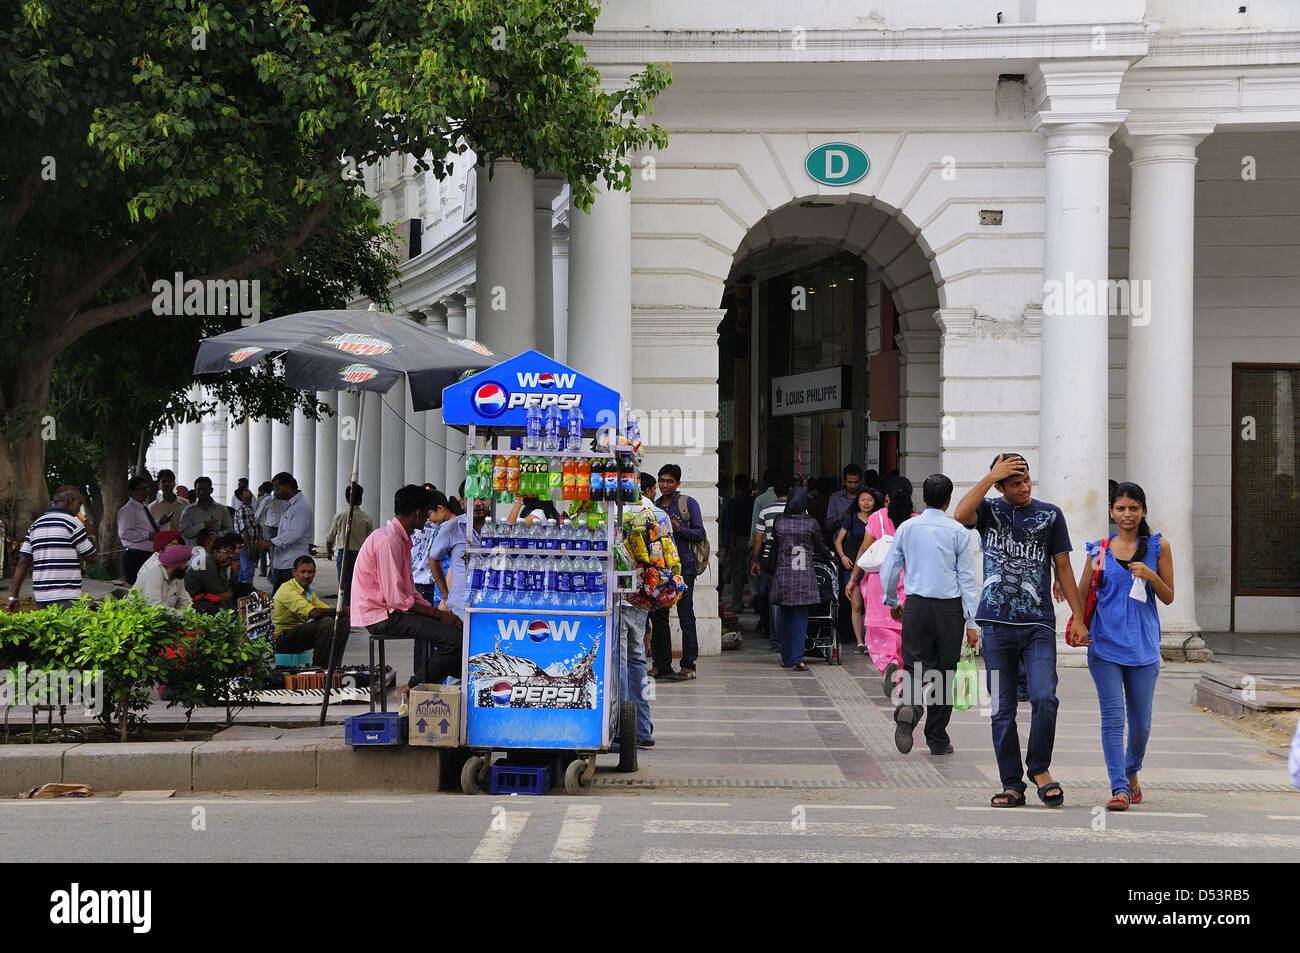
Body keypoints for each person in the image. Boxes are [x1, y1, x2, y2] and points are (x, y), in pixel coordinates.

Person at [953, 453, 1088, 808]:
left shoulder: (1050, 515)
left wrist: (1078, 615)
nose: (1024, 487)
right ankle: (1011, 783)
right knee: (1002, 709)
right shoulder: (988, 511)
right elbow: (960, 514)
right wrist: (987, 478)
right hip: (996, 624)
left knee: (1045, 697)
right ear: (999, 485)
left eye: (1026, 479)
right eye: (1014, 482)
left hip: (1038, 622)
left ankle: (1039, 768)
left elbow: (1063, 566)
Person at [1075, 482, 1174, 812]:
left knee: (1142, 722)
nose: (1127, 514)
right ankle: (1119, 788)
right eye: (1121, 508)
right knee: (1113, 719)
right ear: (1111, 512)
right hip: (1104, 646)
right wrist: (1078, 623)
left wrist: (1150, 575)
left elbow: (1169, 596)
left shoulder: (1159, 547)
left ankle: (1131, 773)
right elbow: (1082, 591)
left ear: (1143, 510)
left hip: (1144, 647)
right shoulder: (1099, 550)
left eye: (1133, 508)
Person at [879, 474, 980, 758]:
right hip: (949, 610)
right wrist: (971, 622)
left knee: (913, 666)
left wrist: (892, 600)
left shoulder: (908, 528)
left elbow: (890, 568)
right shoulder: (958, 531)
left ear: (923, 498)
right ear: (949, 501)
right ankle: (936, 738)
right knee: (944, 674)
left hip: (916, 606)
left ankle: (909, 707)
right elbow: (967, 580)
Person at [353, 484, 464, 691]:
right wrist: (437, 615)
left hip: (393, 611)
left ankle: (432, 685)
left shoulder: (399, 539)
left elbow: (410, 591)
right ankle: (415, 687)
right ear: (418, 512)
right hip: (383, 616)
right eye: (427, 512)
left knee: (457, 631)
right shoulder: (388, 541)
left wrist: (440, 612)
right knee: (456, 641)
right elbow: (398, 600)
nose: (428, 518)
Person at [847, 478, 917, 695]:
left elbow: (864, 550)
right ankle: (902, 679)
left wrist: (854, 578)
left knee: (879, 630)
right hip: (907, 582)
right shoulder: (916, 520)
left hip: (879, 582)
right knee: (904, 631)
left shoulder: (877, 518)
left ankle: (889, 666)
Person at [768, 487, 833, 672]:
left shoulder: (779, 521)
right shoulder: (810, 523)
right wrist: (830, 555)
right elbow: (821, 546)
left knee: (785, 618)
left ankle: (787, 658)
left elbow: (775, 543)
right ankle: (798, 658)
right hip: (804, 576)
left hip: (783, 575)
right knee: (800, 618)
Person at [650, 464, 705, 681]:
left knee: (686, 616)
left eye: (669, 481)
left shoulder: (686, 504)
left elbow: (700, 533)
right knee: (659, 617)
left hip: (684, 568)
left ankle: (688, 665)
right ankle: (661, 665)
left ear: (678, 484)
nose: (665, 485)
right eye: (662, 480)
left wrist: (679, 529)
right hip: (660, 570)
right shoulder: (654, 506)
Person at [7, 485, 98, 611]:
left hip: (41, 598)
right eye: (79, 503)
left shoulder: (35, 525)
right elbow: (92, 558)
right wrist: (90, 535)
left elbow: (23, 562)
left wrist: (13, 597)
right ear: (71, 501)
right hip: (66, 597)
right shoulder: (72, 523)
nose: (79, 508)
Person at [272, 555, 350, 667]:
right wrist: (342, 611)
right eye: (303, 572)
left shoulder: (308, 591)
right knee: (327, 623)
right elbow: (314, 613)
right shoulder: (287, 589)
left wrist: (343, 614)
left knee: (343, 622)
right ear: (294, 572)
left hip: (298, 634)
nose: (306, 576)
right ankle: (319, 667)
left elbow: (324, 609)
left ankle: (333, 666)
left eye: (310, 572)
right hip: (282, 639)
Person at [834, 486, 881, 654]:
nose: (866, 503)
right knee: (856, 605)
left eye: (869, 500)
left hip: (872, 568)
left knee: (871, 606)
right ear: (857, 502)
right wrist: (843, 557)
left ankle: (870, 642)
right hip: (853, 567)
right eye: (862, 500)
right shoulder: (851, 519)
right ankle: (860, 642)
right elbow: (838, 541)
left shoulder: (878, 519)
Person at [749, 474, 793, 651]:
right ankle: (789, 636)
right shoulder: (798, 510)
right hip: (791, 556)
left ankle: (776, 639)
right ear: (790, 490)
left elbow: (758, 538)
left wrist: (755, 560)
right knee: (791, 598)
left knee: (773, 596)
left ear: (774, 491)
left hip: (771, 556)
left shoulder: (765, 510)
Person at [430, 495, 488, 622]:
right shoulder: (451, 527)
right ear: (462, 503)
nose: (477, 503)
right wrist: (445, 596)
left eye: (483, 498)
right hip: (460, 610)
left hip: (490, 605)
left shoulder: (498, 528)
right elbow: (434, 558)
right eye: (472, 499)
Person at [257, 472, 314, 592]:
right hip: (284, 561)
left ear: (287, 487)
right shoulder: (291, 505)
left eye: (277, 489)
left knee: (286, 601)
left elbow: (295, 533)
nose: (275, 492)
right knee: (280, 601)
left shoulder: (300, 507)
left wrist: (271, 542)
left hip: (292, 563)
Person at [325, 483, 374, 609]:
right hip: (360, 555)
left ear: (347, 498)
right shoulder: (366, 518)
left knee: (344, 584)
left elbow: (330, 537)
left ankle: (346, 608)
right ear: (361, 499)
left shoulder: (339, 516)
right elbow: (370, 541)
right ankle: (356, 607)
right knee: (359, 582)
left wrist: (329, 551)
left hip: (343, 553)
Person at [411, 489, 455, 606]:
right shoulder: (451, 525)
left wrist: (445, 596)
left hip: (441, 583)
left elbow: (434, 560)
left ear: (440, 508)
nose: (428, 518)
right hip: (441, 584)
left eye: (429, 513)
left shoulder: (443, 528)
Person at [749, 469, 778, 638]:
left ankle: (766, 624)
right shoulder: (792, 502)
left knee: (764, 589)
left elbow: (756, 531)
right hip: (784, 551)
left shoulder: (761, 501)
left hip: (766, 549)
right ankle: (776, 629)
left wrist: (754, 557)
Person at [184, 532, 242, 614]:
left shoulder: (209, 557)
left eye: (231, 553)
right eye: (227, 552)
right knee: (226, 606)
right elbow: (220, 590)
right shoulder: (207, 562)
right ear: (215, 553)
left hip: (198, 594)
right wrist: (225, 570)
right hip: (190, 599)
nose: (231, 556)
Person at [117, 475, 159, 585]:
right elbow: (124, 533)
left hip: (147, 555)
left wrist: (160, 523)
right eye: (141, 489)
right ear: (131, 492)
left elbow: (145, 527)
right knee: (137, 590)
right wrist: (147, 535)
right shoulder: (128, 510)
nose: (145, 492)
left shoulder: (143, 507)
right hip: (136, 556)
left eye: (146, 488)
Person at [723, 474, 754, 613]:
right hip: (752, 539)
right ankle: (757, 599)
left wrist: (732, 543)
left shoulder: (733, 502)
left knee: (737, 573)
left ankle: (737, 603)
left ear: (736, 486)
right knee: (752, 572)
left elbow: (732, 525)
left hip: (738, 538)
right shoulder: (754, 501)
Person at [131, 543, 193, 613]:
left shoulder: (178, 577)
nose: (187, 564)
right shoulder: (153, 575)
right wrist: (182, 615)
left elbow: (185, 602)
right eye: (184, 562)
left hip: (164, 617)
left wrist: (190, 615)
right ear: (175, 564)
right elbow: (155, 607)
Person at [179, 476, 233, 546]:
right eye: (199, 489)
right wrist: (203, 525)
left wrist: (216, 535)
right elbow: (184, 533)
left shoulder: (222, 509)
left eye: (204, 489)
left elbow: (230, 530)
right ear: (195, 492)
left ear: (211, 490)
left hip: (216, 552)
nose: (201, 492)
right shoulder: (188, 511)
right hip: (193, 552)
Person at [232, 486, 261, 586]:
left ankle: (242, 592)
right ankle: (247, 593)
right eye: (246, 491)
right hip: (245, 546)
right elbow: (244, 530)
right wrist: (249, 548)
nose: (249, 491)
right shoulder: (243, 510)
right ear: (241, 496)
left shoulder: (249, 508)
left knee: (243, 571)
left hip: (248, 545)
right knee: (247, 571)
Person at [254, 479, 283, 577]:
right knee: (275, 553)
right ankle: (274, 576)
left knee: (273, 553)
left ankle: (274, 576)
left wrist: (257, 525)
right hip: (278, 528)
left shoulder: (267, 500)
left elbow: (258, 515)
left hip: (271, 528)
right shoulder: (280, 500)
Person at [824, 463, 864, 532]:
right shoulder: (835, 498)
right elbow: (829, 525)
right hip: (840, 541)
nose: (853, 486)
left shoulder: (866, 497)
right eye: (850, 482)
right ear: (844, 482)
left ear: (860, 481)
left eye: (856, 482)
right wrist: (843, 515)